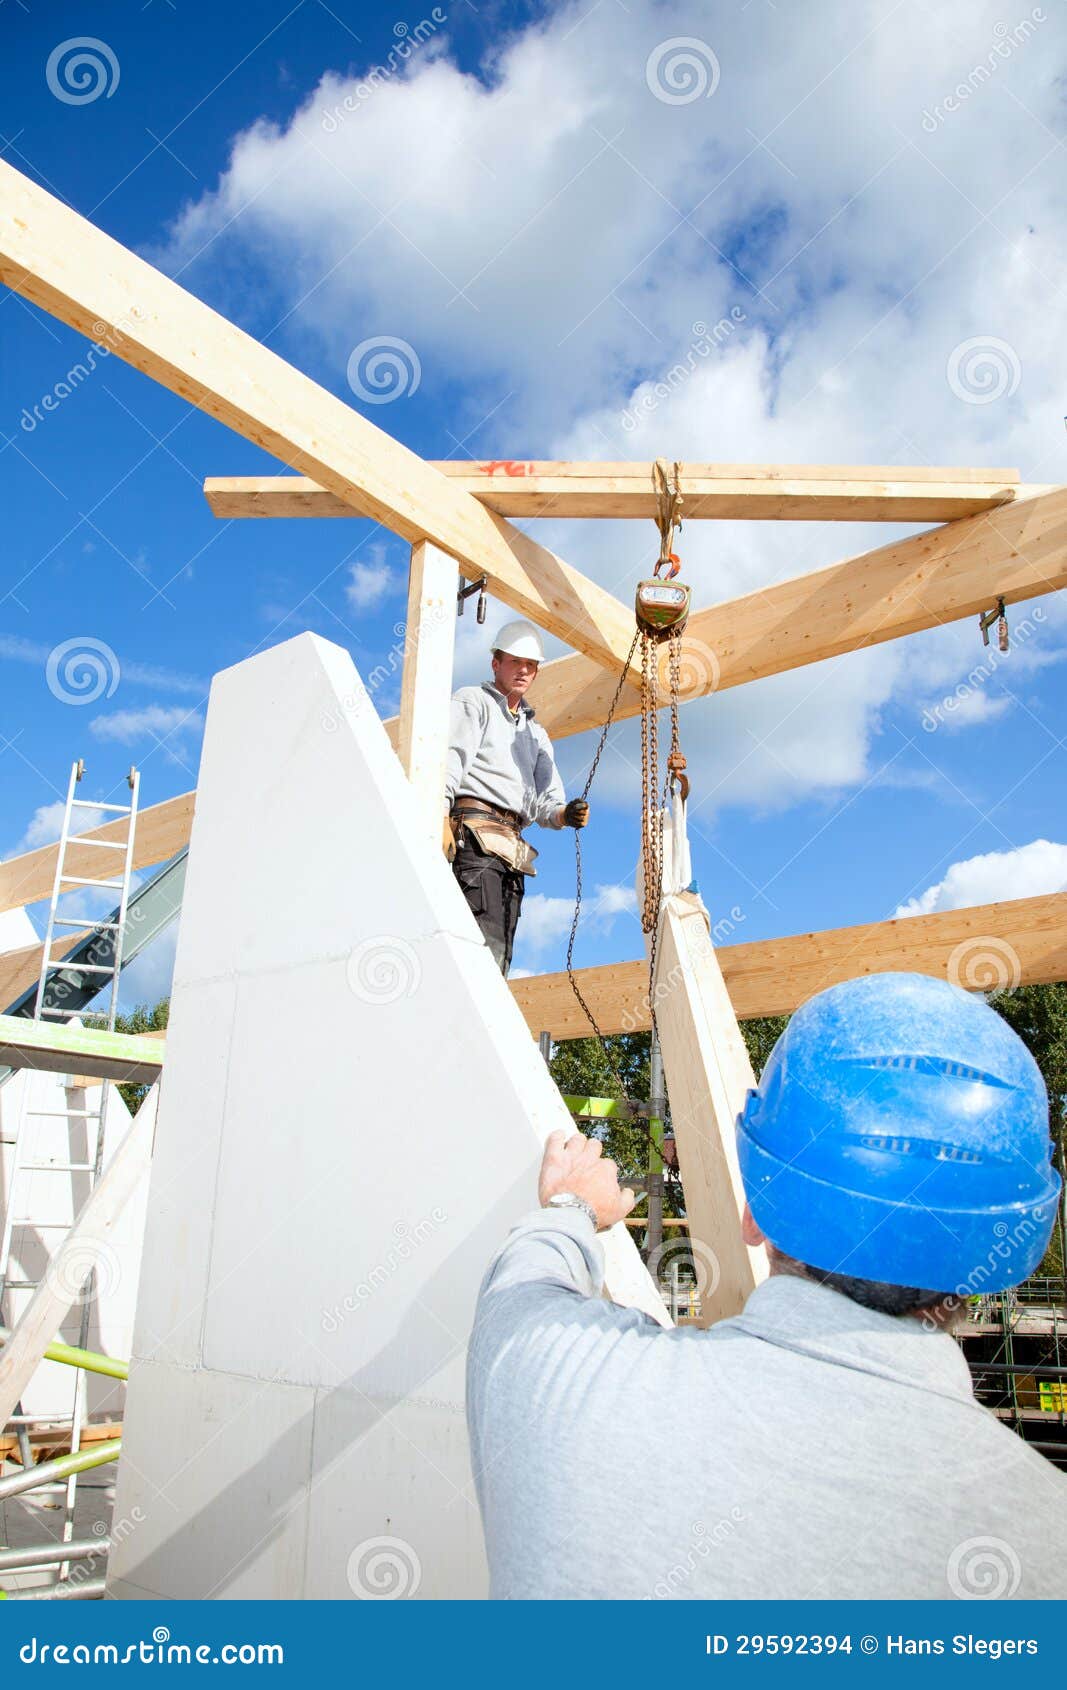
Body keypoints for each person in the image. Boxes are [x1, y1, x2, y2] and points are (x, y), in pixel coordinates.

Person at [466, 972, 1067, 1600]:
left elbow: (524, 1282)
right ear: (1008, 1241)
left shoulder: (561, 1380)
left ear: (756, 1213)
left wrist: (573, 1207)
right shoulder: (1047, 1540)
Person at [444, 619, 589, 976]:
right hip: (474, 837)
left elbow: (544, 802)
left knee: (500, 956)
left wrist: (563, 815)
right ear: (496, 663)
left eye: (531, 665)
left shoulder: (535, 734)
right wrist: (437, 814)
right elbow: (450, 759)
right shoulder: (473, 701)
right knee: (479, 947)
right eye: (515, 662)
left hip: (512, 848)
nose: (523, 670)